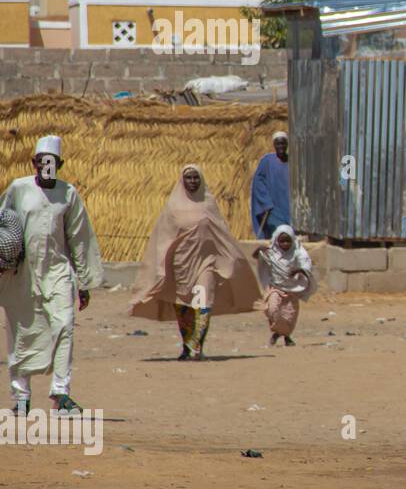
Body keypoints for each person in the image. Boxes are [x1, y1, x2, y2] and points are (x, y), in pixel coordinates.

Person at [0, 135, 103, 415]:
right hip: (22, 274)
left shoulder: (68, 194)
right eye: (41, 162)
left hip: (57, 272)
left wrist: (84, 281)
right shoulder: (18, 190)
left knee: (64, 325)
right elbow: (3, 226)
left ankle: (60, 394)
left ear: (59, 164)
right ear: (33, 163)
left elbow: (79, 238)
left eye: (52, 163)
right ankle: (21, 396)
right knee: (21, 333)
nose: (46, 166)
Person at [129, 165, 262, 360]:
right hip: (181, 266)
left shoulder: (209, 204)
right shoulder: (173, 207)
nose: (192, 181)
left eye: (195, 178)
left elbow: (221, 232)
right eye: (189, 178)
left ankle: (197, 347)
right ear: (183, 180)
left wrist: (230, 258)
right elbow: (163, 239)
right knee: (184, 308)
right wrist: (161, 268)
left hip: (205, 264)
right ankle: (187, 346)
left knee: (203, 304)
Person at [254, 225, 315, 347]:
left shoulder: (298, 252)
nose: (285, 244)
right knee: (272, 309)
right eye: (282, 241)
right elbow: (256, 256)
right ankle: (277, 332)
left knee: (289, 315)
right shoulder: (272, 253)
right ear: (277, 240)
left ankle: (284, 336)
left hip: (292, 289)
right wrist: (258, 249)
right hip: (276, 288)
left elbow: (306, 265)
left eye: (288, 241)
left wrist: (299, 270)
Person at [250, 131, 291, 240]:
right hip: (274, 208)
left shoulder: (292, 161)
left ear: (287, 144)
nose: (281, 146)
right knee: (278, 235)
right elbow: (258, 182)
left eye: (283, 143)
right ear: (274, 145)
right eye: (278, 144)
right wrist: (266, 202)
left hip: (289, 206)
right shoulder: (267, 161)